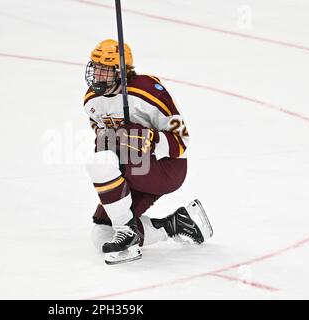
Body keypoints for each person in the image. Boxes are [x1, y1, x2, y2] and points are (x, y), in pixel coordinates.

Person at [83, 39, 213, 264]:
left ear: (122, 72)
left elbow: (182, 141)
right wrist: (119, 140)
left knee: (101, 162)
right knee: (101, 235)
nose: (98, 75)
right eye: (96, 68)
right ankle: (176, 224)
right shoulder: (92, 101)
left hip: (165, 168)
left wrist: (149, 138)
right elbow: (102, 141)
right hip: (130, 170)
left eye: (105, 70)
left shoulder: (148, 92)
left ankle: (127, 229)